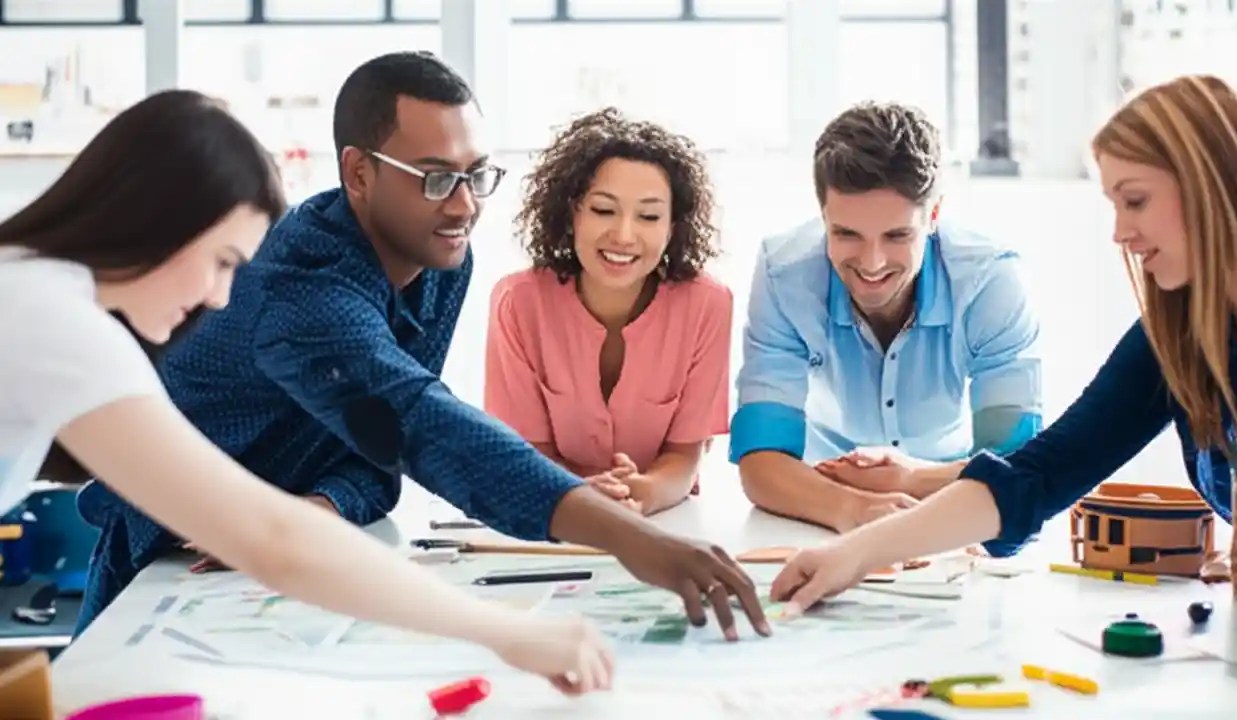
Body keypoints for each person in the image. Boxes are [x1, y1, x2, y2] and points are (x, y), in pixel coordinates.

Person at [77, 52, 770, 641]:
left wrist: (322, 506)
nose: (466, 205)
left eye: (476, 175)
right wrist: (631, 537)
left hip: (295, 560)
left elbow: (377, 462)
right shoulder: (304, 290)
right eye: (437, 177)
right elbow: (421, 426)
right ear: (358, 174)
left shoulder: (442, 262)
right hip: (169, 559)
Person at [0, 89, 613, 693]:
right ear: (157, 224)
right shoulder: (55, 319)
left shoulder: (31, 289)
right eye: (221, 261)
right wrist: (509, 633)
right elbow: (275, 539)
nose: (218, 297)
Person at [771, 73, 1237, 613]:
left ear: (1211, 185)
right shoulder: (1182, 337)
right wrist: (852, 555)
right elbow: (1036, 475)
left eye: (1135, 200)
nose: (1119, 232)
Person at [730, 100, 1043, 533]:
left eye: (897, 235)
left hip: (955, 497)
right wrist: (853, 510)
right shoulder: (783, 274)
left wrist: (913, 480)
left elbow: (1017, 463)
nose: (872, 263)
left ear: (933, 216)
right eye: (846, 235)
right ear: (823, 216)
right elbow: (760, 461)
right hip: (816, 503)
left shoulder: (991, 282)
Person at [485, 108, 729, 516]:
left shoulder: (708, 305)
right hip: (549, 517)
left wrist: (642, 492)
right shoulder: (517, 303)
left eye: (649, 216)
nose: (624, 235)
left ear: (672, 228)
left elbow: (685, 456)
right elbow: (524, 453)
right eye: (603, 210)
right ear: (571, 213)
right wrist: (581, 497)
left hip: (665, 522)